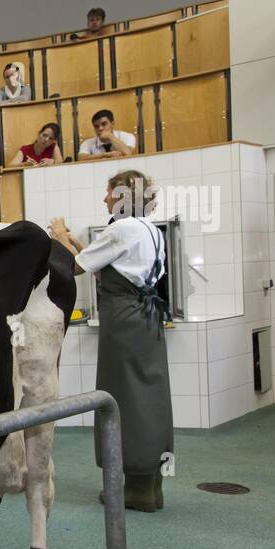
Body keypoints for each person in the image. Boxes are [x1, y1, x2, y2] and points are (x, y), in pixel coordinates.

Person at [48, 169, 171, 512]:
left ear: (122, 196)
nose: (104, 199)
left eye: (108, 193)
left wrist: (58, 237)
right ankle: (149, 488)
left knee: (124, 398)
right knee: (149, 396)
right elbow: (105, 265)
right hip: (147, 319)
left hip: (123, 321)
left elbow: (76, 268)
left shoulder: (121, 228)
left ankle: (133, 491)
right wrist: (74, 241)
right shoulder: (149, 229)